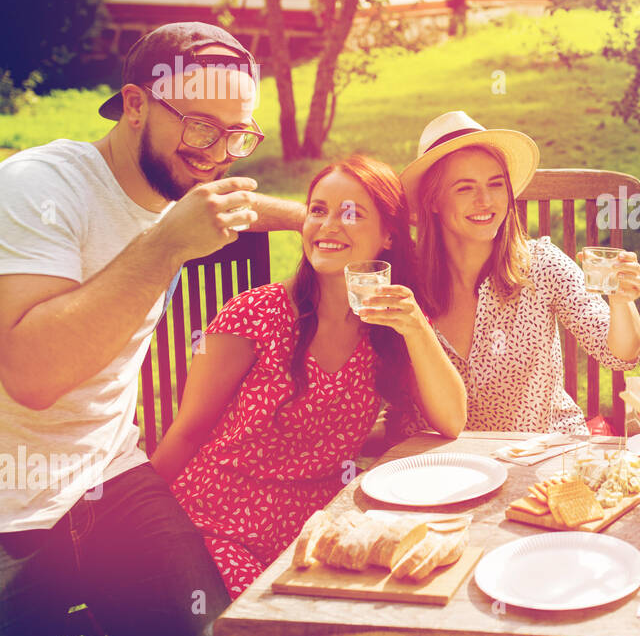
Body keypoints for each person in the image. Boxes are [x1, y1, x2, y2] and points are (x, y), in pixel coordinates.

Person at [0, 22, 306, 636]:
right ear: (136, 105)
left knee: (211, 635)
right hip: (13, 501)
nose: (217, 155)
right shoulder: (40, 188)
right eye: (200, 126)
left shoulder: (176, 180)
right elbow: (33, 376)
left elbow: (242, 205)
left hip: (108, 476)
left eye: (235, 134)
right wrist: (167, 244)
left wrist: (322, 221)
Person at [151, 156, 466, 598]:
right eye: (318, 210)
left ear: (388, 235)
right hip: (215, 524)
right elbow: (185, 435)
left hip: (314, 534)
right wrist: (131, 532)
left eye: (351, 214)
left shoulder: (391, 325)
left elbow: (452, 420)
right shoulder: (256, 314)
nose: (328, 226)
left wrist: (416, 328)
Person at [399, 111, 640, 435]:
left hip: (542, 460)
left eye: (496, 185)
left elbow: (620, 354)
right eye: (464, 188)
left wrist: (622, 302)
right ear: (433, 200)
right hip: (444, 467)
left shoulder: (541, 266)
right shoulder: (405, 283)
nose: (485, 201)